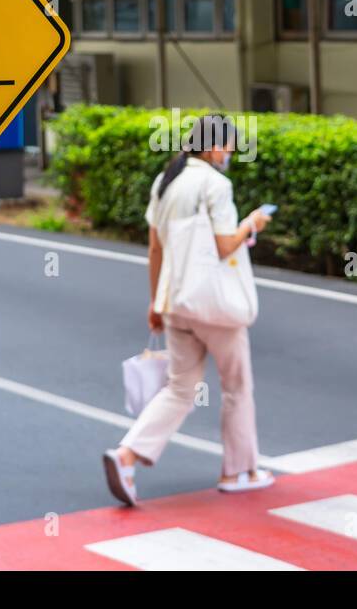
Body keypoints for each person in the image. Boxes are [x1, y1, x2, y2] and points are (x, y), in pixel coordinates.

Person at [103, 114, 273, 506]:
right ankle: (238, 471)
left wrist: (155, 303)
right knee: (237, 387)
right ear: (214, 147)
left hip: (175, 304)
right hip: (215, 307)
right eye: (229, 145)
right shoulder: (217, 185)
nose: (230, 152)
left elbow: (155, 249)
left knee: (179, 388)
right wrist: (252, 224)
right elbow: (225, 245)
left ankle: (126, 456)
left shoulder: (165, 183)